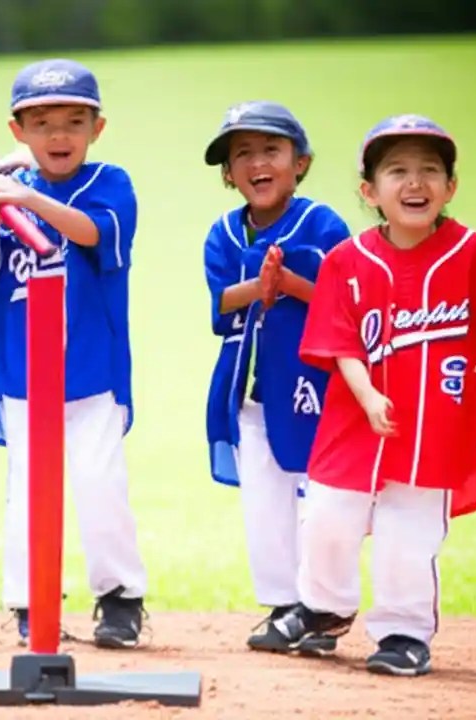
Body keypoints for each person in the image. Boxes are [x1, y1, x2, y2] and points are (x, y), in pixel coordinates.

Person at [270, 114, 476, 676]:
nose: (415, 183)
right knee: (325, 516)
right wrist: (368, 394)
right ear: (370, 191)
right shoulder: (349, 259)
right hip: (353, 422)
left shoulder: (471, 252)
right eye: (398, 171)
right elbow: (340, 339)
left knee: (407, 534)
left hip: (434, 428)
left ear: (450, 187)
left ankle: (402, 633)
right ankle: (324, 609)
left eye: (430, 170)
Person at [0, 58, 149, 649]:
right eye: (41, 123)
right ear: (18, 132)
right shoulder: (6, 191)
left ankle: (120, 598)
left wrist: (22, 196)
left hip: (92, 371)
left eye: (73, 121)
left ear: (97, 128)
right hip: (20, 374)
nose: (58, 136)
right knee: (27, 491)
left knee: (99, 482)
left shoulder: (109, 182)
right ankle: (31, 603)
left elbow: (93, 232)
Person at [198, 101, 351, 654]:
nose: (257, 163)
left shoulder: (323, 224)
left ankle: (324, 604)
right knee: (263, 499)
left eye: (271, 151)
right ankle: (288, 604)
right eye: (242, 155)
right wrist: (261, 287)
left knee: (316, 497)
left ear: (300, 162)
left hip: (310, 381)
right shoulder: (221, 233)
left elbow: (347, 303)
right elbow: (220, 304)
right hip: (247, 387)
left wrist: (287, 282)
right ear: (228, 174)